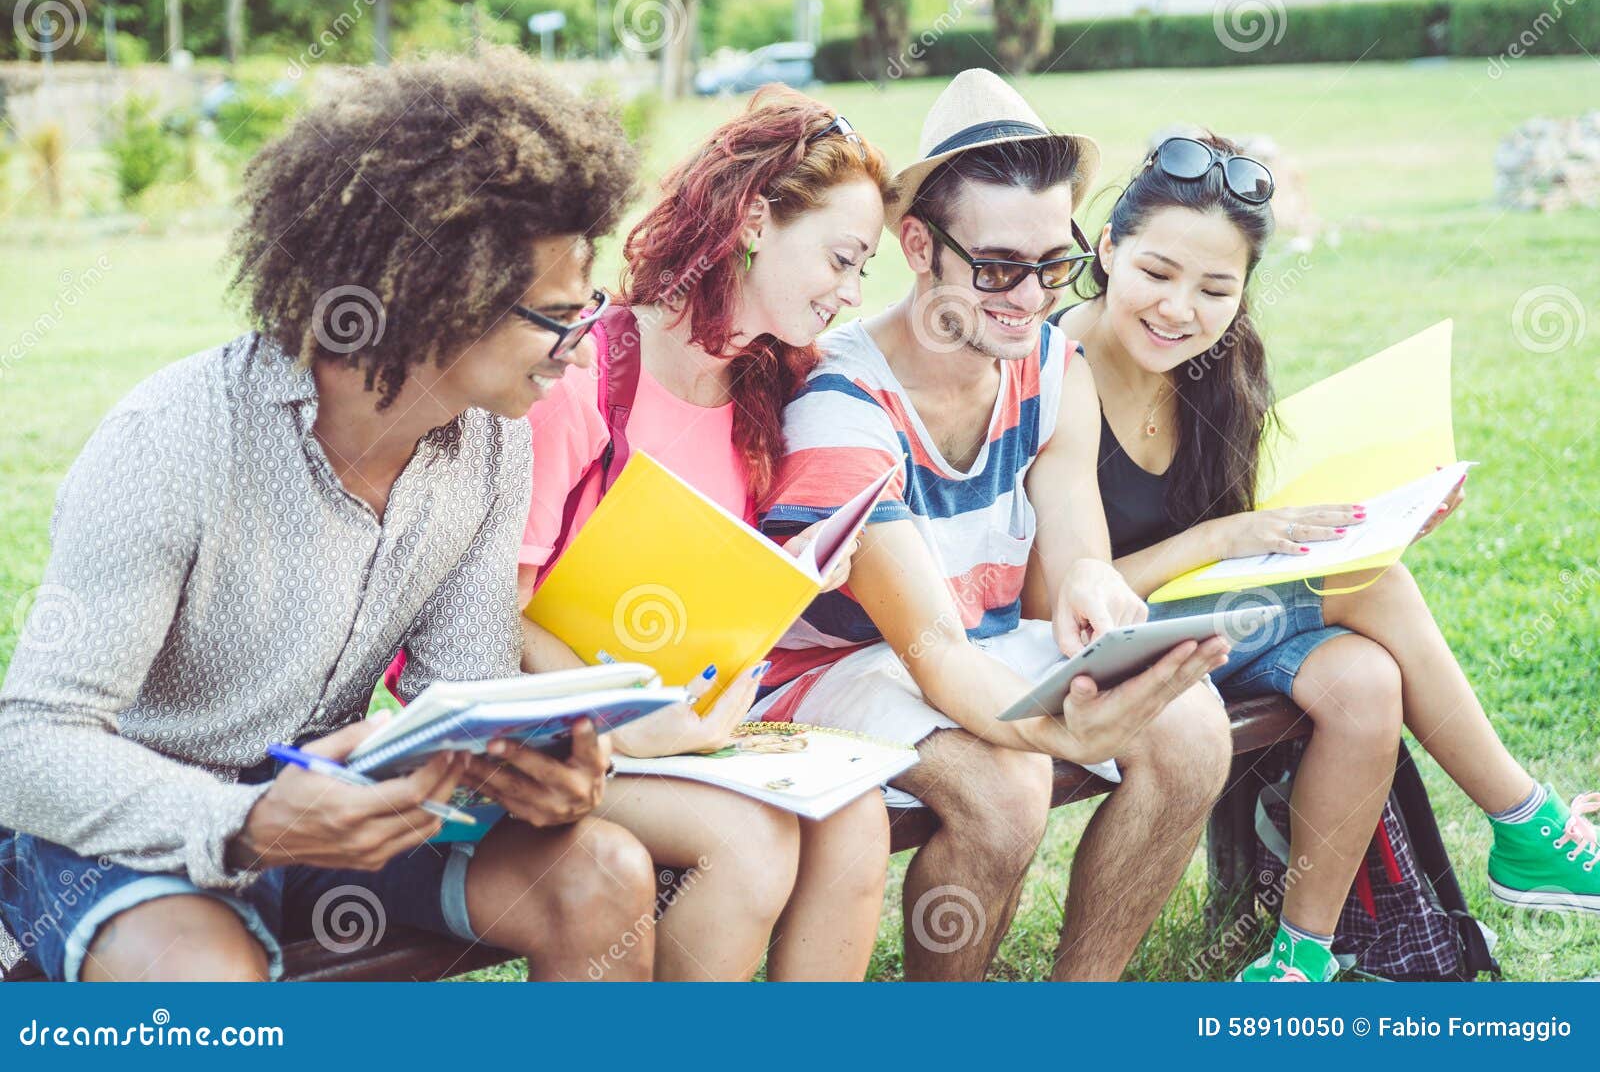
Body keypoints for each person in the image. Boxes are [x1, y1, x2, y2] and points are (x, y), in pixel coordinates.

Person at [0, 50, 658, 983]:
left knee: (602, 875)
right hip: (126, 827)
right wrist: (249, 822)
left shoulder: (493, 444)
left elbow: (460, 695)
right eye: (555, 320)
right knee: (202, 978)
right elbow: (27, 746)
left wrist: (533, 775)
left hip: (338, 810)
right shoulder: (174, 437)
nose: (577, 355)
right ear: (435, 296)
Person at [1053, 128, 1600, 983]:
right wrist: (1221, 540)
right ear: (1108, 248)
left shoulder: (1214, 367)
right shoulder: (1058, 370)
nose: (1177, 308)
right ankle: (1526, 824)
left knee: (1365, 681)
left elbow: (1266, 518)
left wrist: (1387, 512)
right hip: (1093, 644)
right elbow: (1060, 591)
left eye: (1215, 288)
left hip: (1208, 629)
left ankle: (1298, 958)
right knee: (1365, 582)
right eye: (1156, 273)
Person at [748, 70, 1234, 981]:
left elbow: (1076, 543)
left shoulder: (1054, 360)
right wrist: (1057, 737)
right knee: (1007, 794)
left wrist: (1092, 582)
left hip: (980, 640)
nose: (1031, 296)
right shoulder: (840, 400)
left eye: (1056, 265)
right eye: (1000, 268)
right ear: (919, 245)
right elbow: (929, 650)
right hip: (830, 670)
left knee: (1195, 729)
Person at [517, 89, 897, 981]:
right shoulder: (588, 376)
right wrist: (634, 721)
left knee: (857, 815)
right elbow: (496, 609)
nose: (850, 293)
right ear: (756, 219)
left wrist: (796, 573)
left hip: (691, 720)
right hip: (557, 726)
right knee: (750, 845)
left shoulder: (763, 395)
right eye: (841, 259)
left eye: (863, 272)